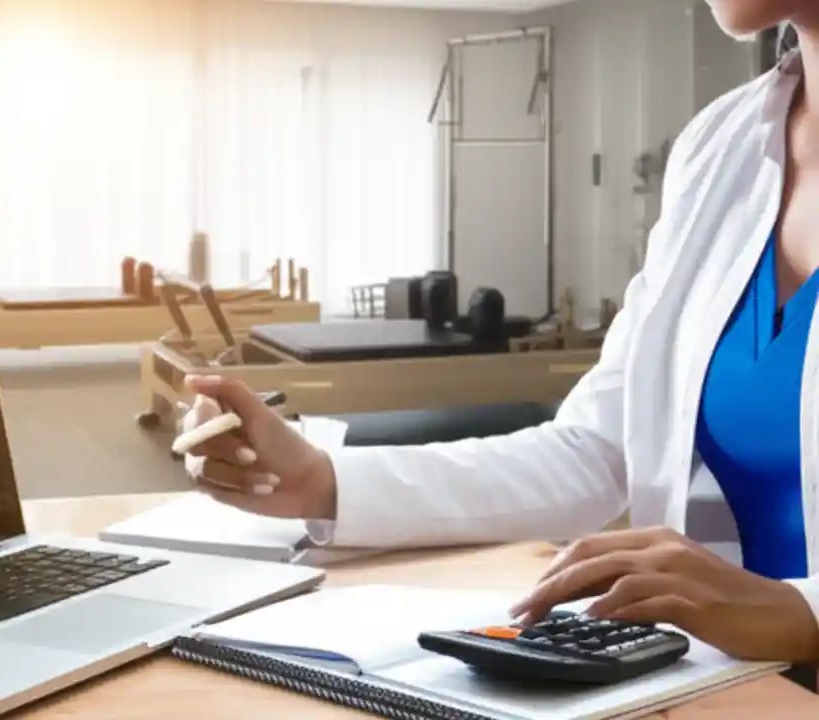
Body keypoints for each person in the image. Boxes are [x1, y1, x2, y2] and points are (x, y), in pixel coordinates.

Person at [181, 1, 819, 665]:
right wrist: (320, 481)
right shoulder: (719, 148)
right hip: (735, 688)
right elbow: (598, 452)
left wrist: (803, 614)